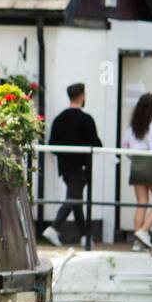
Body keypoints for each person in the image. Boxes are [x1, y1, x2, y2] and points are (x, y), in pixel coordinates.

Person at [42, 84, 102, 248]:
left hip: (65, 168)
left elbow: (53, 145)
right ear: (82, 96)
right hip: (81, 166)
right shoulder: (86, 119)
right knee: (74, 199)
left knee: (76, 201)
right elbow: (96, 144)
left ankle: (85, 236)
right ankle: (54, 228)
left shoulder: (59, 119)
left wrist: (64, 156)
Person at [122, 92, 152, 250]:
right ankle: (144, 231)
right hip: (151, 163)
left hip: (135, 164)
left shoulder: (132, 127)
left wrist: (136, 160)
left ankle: (137, 243)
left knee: (141, 203)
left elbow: (125, 148)